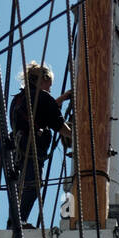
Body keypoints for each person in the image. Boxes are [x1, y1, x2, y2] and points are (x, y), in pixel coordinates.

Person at [9, 60, 71, 226]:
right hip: (31, 149)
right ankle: (18, 222)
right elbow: (59, 125)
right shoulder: (42, 98)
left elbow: (41, 111)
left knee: (19, 188)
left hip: (16, 151)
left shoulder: (19, 99)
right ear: (41, 80)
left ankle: (14, 222)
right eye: (49, 85)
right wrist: (77, 137)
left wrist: (62, 99)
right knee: (33, 185)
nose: (50, 90)